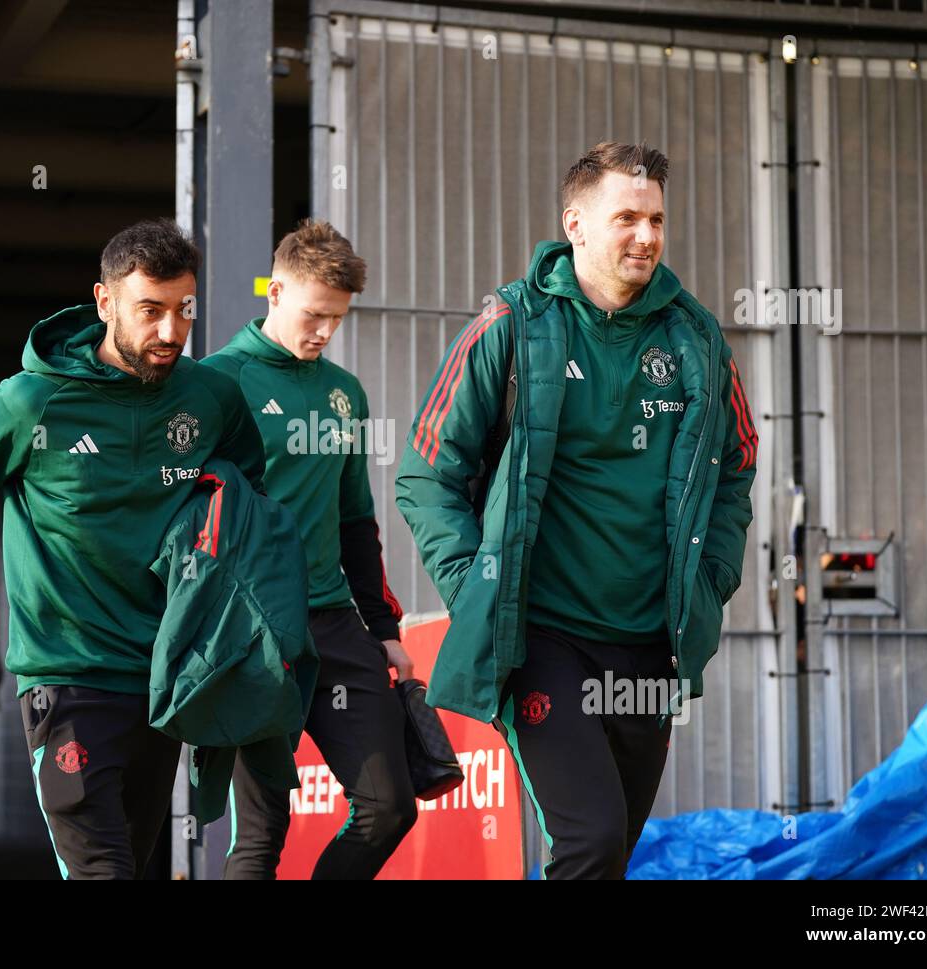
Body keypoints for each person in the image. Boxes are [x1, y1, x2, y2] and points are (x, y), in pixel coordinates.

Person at [395, 142, 758, 879]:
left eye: (656, 218)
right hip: (546, 639)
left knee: (612, 848)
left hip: (653, 640)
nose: (647, 235)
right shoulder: (511, 324)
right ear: (576, 225)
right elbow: (425, 473)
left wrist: (714, 574)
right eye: (626, 217)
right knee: (589, 840)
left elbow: (737, 465)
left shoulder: (696, 340)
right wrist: (478, 591)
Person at [0, 218, 267, 880]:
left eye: (182, 309)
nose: (169, 330)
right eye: (148, 310)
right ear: (104, 303)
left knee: (135, 860)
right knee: (102, 868)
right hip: (65, 674)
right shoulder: (30, 401)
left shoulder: (213, 398)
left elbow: (247, 503)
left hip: (163, 678)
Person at [203, 220, 416, 879]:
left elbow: (357, 518)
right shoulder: (216, 383)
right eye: (314, 315)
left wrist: (385, 629)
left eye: (336, 319)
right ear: (277, 291)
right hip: (253, 633)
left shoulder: (343, 392)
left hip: (334, 622)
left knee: (390, 806)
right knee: (262, 836)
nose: (324, 331)